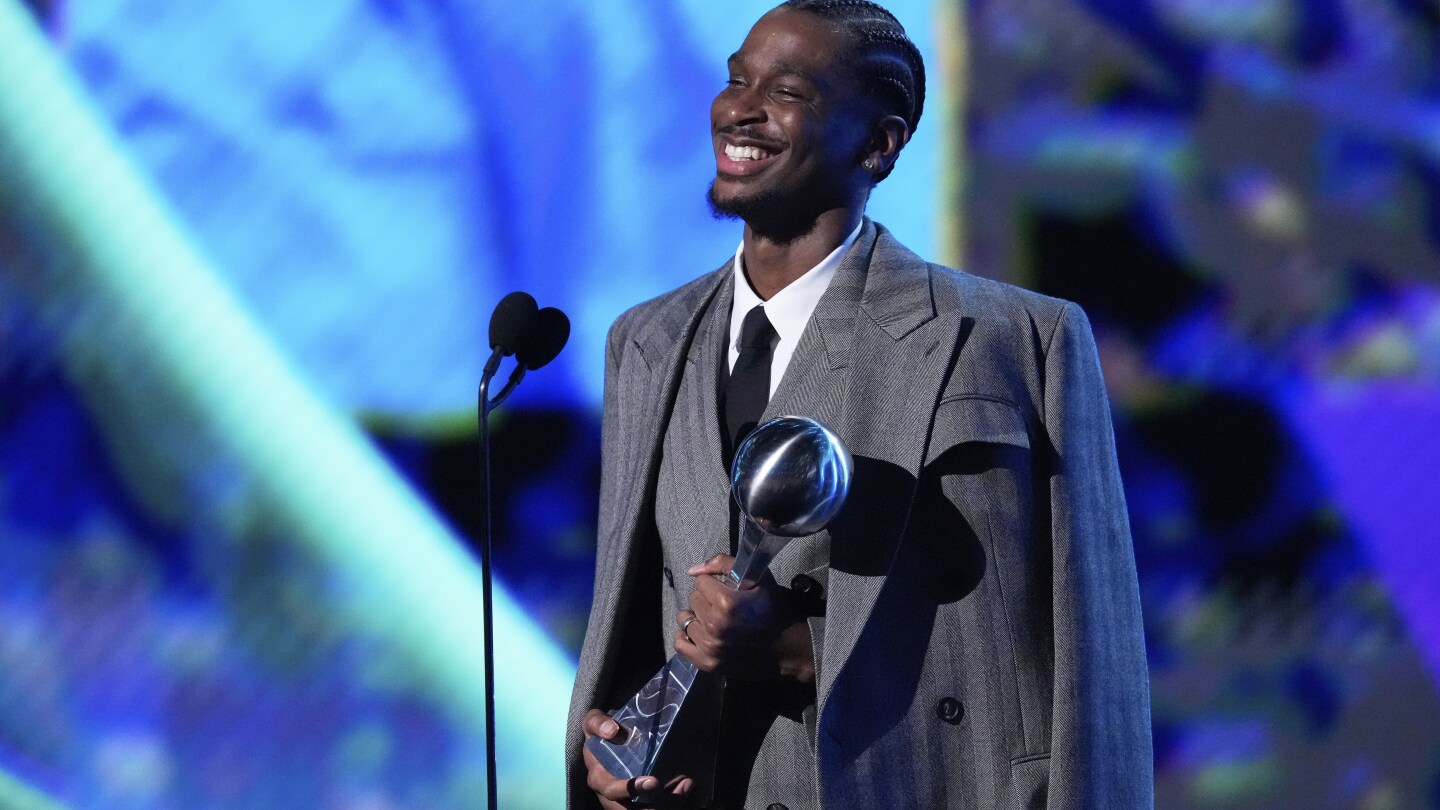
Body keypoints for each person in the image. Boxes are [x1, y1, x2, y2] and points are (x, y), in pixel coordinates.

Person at [566, 1, 1153, 807]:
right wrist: (618, 749)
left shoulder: (1016, 339)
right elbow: (638, 620)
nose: (740, 107)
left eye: (789, 92)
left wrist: (800, 649)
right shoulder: (646, 342)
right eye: (737, 80)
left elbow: (1090, 661)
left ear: (878, 144)